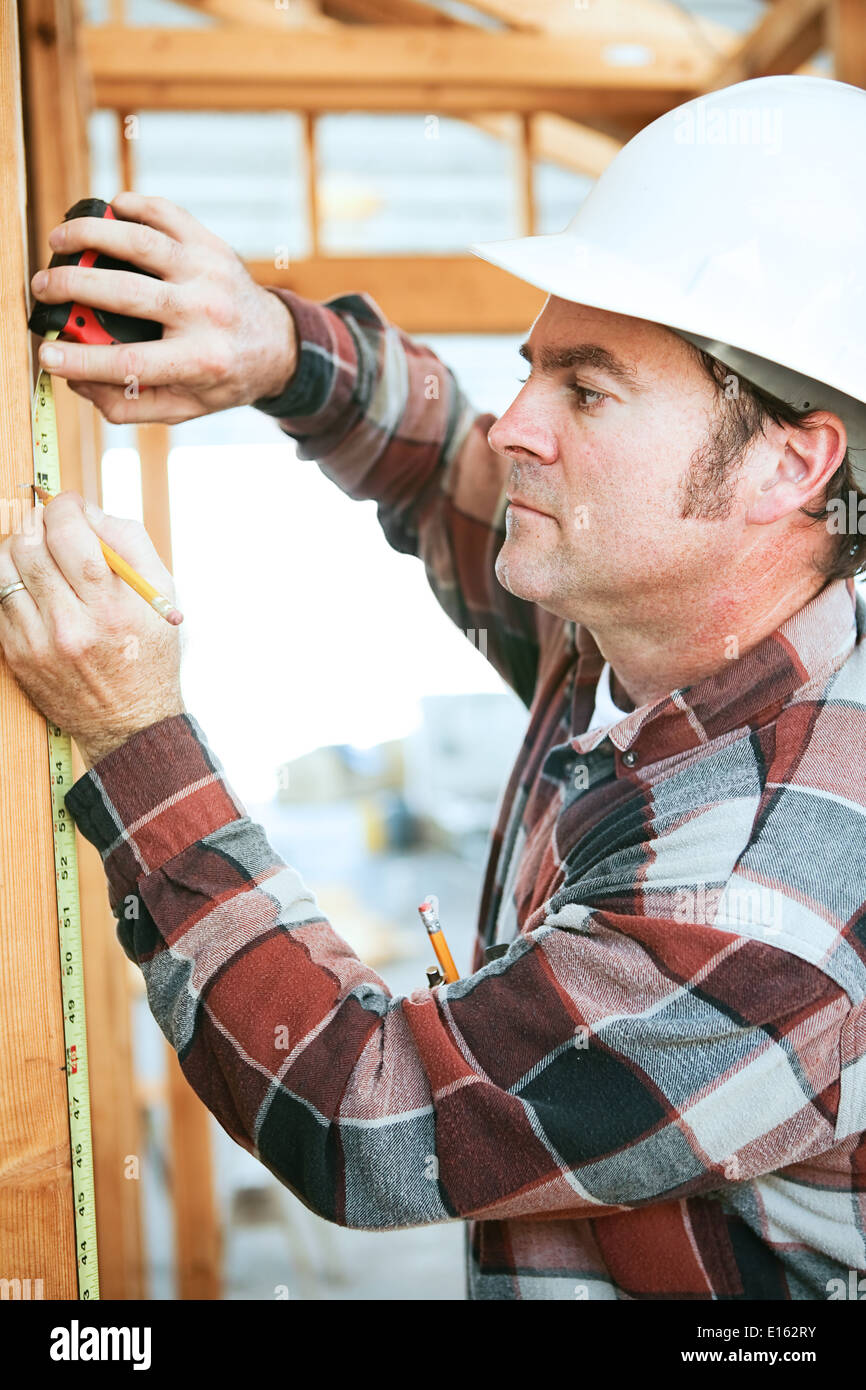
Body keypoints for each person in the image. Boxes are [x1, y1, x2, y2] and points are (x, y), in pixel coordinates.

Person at [3, 74, 865, 1300]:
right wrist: (277, 348)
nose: (516, 421)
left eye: (586, 388)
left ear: (787, 463)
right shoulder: (644, 628)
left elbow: (372, 1113)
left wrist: (132, 732)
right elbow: (443, 472)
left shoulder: (770, 889)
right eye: (532, 370)